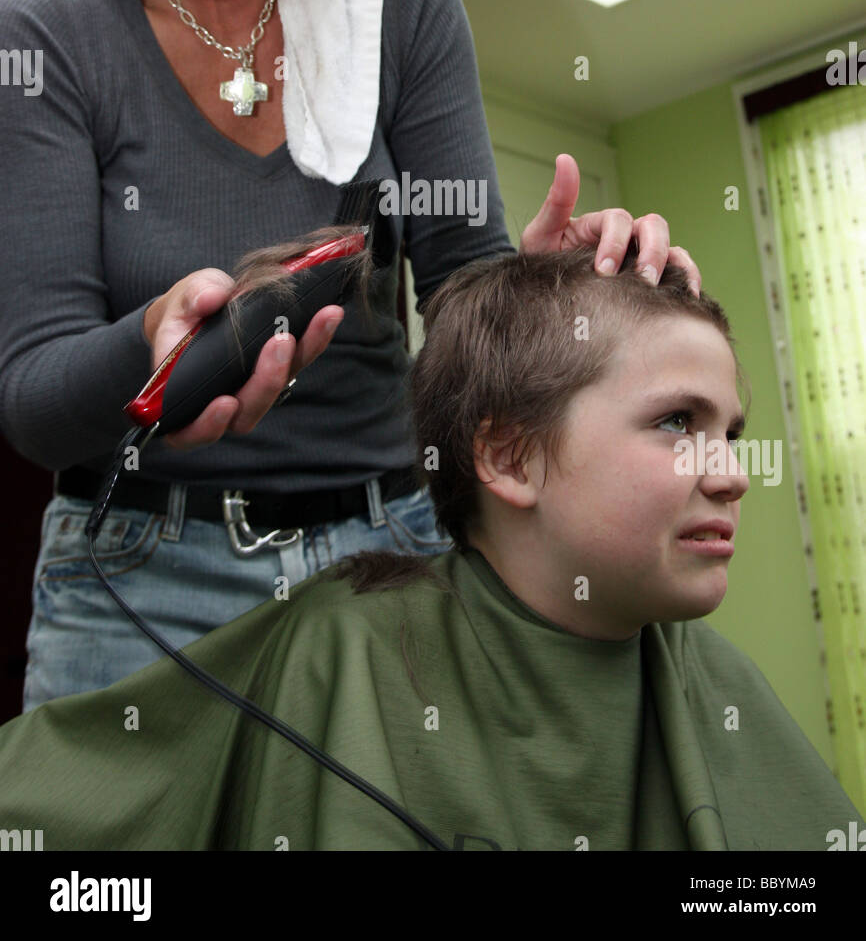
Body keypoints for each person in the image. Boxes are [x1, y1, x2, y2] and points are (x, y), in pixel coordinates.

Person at [0, 0, 700, 711]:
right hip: (131, 581)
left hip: (383, 555)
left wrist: (542, 289)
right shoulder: (39, 30)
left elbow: (464, 290)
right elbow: (35, 397)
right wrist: (159, 346)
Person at [0, 238, 859, 852]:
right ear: (509, 454)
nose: (733, 474)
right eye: (677, 423)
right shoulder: (347, 647)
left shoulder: (714, 682)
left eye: (732, 434)